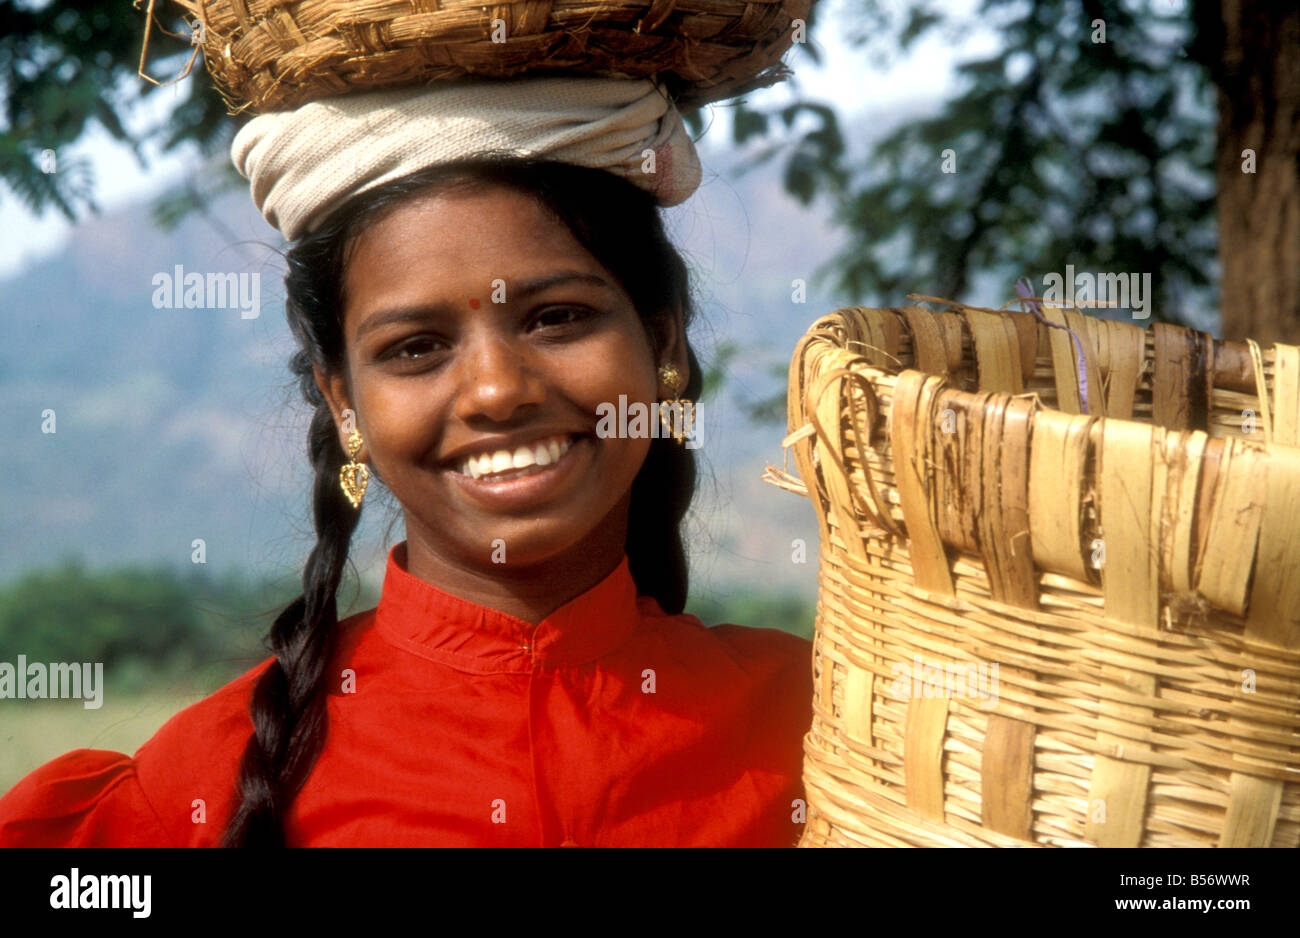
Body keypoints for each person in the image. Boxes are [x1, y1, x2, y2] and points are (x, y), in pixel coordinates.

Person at [0, 77, 813, 847]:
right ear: (345, 403)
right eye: (417, 348)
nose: (496, 390)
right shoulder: (200, 786)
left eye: (557, 317)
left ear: (663, 346)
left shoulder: (825, 726)